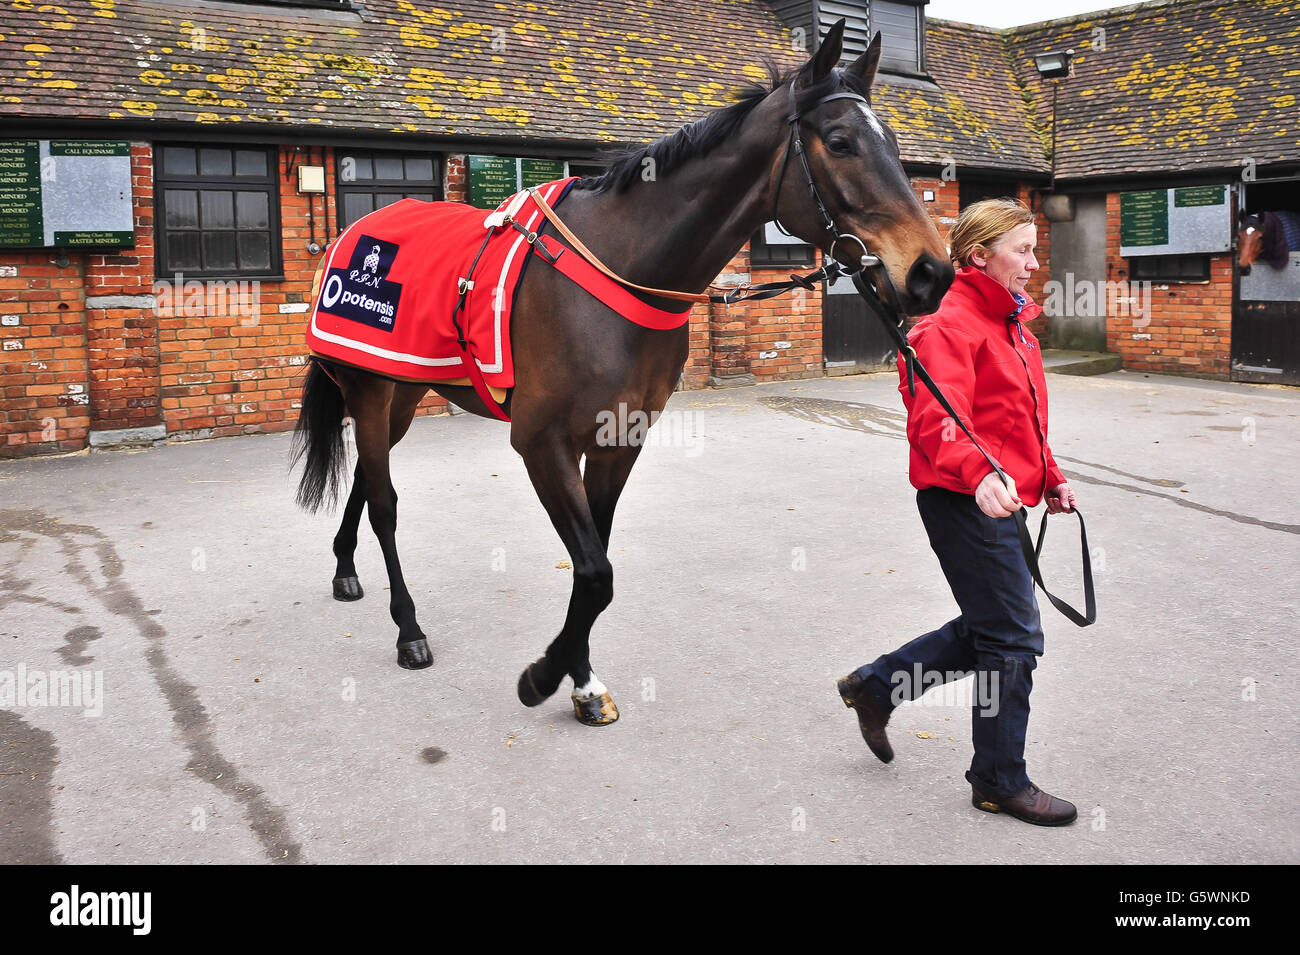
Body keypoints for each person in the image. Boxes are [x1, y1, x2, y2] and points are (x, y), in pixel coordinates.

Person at [837, 197, 1080, 826]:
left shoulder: (1009, 320)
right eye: (1022, 249)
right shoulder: (950, 323)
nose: (1033, 261)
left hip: (1003, 494)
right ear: (981, 254)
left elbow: (1018, 418)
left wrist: (1048, 477)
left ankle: (878, 686)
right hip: (962, 498)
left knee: (990, 628)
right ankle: (998, 779)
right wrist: (978, 476)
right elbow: (936, 418)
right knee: (1012, 639)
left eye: (1034, 248)